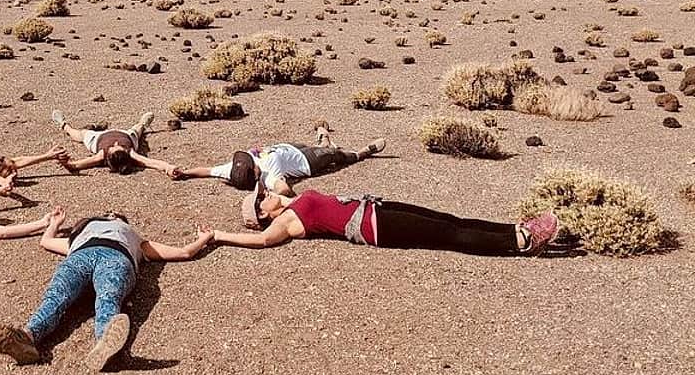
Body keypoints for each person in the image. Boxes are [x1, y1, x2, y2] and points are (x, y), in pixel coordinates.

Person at [0, 209, 214, 371]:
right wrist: (55, 223)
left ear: (123, 221)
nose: (112, 216)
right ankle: (26, 338)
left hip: (116, 256)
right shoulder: (80, 235)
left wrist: (204, 239)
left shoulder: (138, 239)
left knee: (108, 297)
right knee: (56, 297)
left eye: (116, 216)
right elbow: (46, 241)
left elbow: (183, 252)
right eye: (109, 214)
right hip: (82, 254)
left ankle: (105, 345)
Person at [212, 183, 560, 256]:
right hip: (375, 228)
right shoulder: (284, 221)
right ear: (262, 211)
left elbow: (277, 178)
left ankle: (515, 228)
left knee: (449, 218)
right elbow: (260, 241)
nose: (267, 193)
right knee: (447, 234)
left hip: (375, 208)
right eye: (262, 198)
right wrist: (219, 234)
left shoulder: (291, 198)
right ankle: (522, 243)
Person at [172, 125, 387, 193]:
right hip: (307, 162)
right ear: (254, 174)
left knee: (314, 146)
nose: (251, 160)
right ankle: (360, 153)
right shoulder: (267, 177)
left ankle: (323, 140)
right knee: (334, 156)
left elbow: (207, 170)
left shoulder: (234, 168)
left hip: (289, 147)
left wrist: (185, 173)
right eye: (251, 164)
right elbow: (284, 190)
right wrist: (268, 191)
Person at [54, 110, 175, 176]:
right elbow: (152, 163)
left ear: (108, 155)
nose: (116, 143)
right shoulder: (130, 152)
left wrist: (66, 162)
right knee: (137, 131)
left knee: (81, 134)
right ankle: (143, 124)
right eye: (119, 147)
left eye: (113, 147)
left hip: (97, 138)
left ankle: (64, 125)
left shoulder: (102, 155)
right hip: (127, 135)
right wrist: (168, 167)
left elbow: (76, 165)